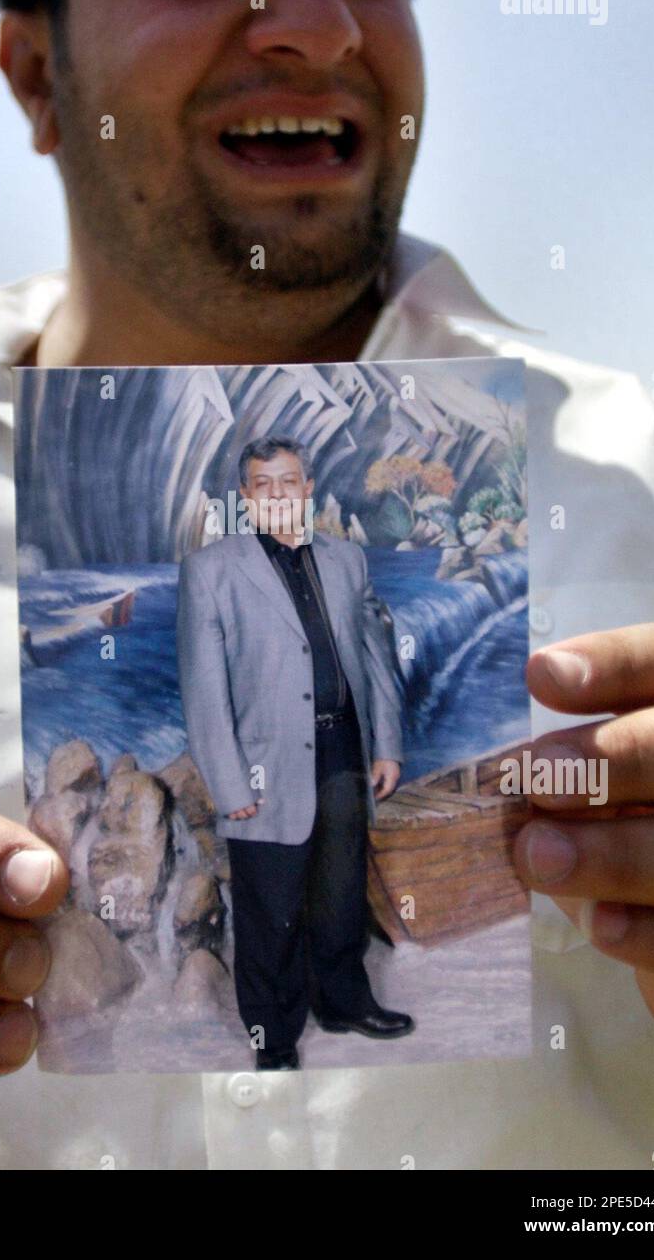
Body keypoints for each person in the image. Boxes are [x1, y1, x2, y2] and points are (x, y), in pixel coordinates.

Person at [0, 0, 654, 1169]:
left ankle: (339, 992)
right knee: (269, 904)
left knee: (336, 914)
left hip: (350, 774)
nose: (315, 21)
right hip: (251, 783)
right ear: (34, 73)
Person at [176, 435, 412, 1070]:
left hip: (342, 750)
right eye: (264, 484)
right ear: (246, 498)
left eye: (290, 482)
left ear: (308, 490)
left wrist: (386, 745)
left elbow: (375, 658)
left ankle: (342, 1001)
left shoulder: (346, 561)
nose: (278, 494)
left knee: (340, 894)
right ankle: (272, 1040)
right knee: (269, 912)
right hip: (262, 768)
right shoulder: (210, 572)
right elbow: (203, 692)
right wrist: (229, 788)